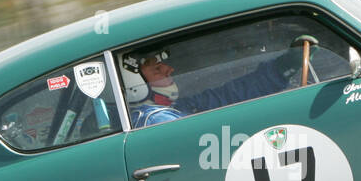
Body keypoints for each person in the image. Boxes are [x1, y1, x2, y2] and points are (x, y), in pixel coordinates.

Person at [124, 36, 319, 128]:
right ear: (135, 88)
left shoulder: (175, 108)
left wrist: (283, 68)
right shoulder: (155, 120)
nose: (169, 69)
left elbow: (228, 96)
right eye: (157, 69)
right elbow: (197, 141)